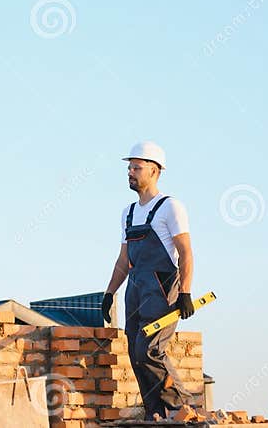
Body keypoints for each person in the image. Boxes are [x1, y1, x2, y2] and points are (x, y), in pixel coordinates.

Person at [102, 141, 195, 420]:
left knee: (149, 350)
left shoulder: (170, 207)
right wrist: (109, 294)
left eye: (136, 167)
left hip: (162, 288)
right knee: (135, 352)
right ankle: (155, 413)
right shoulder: (128, 213)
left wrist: (185, 293)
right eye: (129, 167)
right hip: (135, 289)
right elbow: (123, 261)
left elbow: (186, 252)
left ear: (154, 171)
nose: (130, 172)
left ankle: (181, 409)